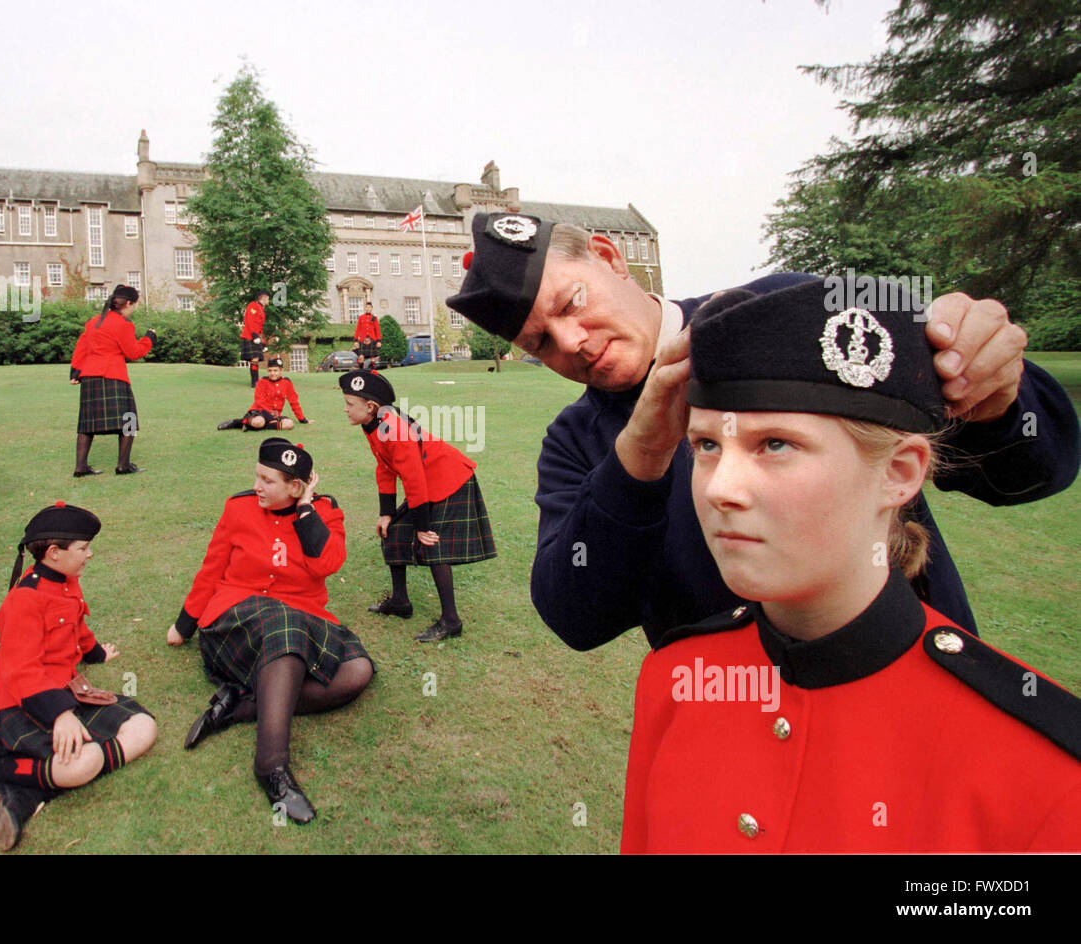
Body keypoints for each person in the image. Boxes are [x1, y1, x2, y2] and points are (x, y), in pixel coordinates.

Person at [446, 212, 1080, 650]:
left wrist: (998, 395)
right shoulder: (577, 441)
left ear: (611, 259)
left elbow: (1030, 473)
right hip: (731, 734)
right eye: (539, 343)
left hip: (909, 681)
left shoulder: (789, 315)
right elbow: (574, 616)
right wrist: (639, 455)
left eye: (569, 303)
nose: (572, 344)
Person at [620, 279, 1081, 853]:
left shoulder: (1040, 766)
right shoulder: (676, 680)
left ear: (900, 472)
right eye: (707, 445)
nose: (721, 488)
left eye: (776, 444)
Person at [0, 502, 157, 850]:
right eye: (84, 548)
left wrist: (97, 653)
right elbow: (20, 671)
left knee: (144, 728)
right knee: (81, 764)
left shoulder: (65, 580)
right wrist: (60, 716)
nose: (90, 555)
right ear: (55, 553)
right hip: (19, 702)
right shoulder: (23, 600)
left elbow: (76, 623)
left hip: (67, 693)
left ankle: (24, 786)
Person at [166, 439, 373, 824]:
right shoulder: (238, 507)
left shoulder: (326, 513)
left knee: (358, 671)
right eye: (257, 476)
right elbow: (211, 569)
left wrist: (306, 510)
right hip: (235, 618)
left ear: (297, 486)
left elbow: (328, 563)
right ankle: (271, 765)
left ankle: (239, 705)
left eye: (268, 480)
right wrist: (184, 624)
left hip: (302, 615)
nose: (257, 486)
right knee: (285, 624)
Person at [339, 370, 496, 642]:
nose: (345, 409)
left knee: (433, 545)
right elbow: (384, 467)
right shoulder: (373, 424)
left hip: (451, 480)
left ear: (370, 407)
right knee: (394, 531)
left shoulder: (395, 429)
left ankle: (451, 621)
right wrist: (386, 513)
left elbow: (414, 480)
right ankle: (400, 602)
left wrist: (423, 527)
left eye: (350, 404)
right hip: (426, 483)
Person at [69, 284, 155, 476]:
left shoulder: (92, 322)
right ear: (129, 303)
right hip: (113, 377)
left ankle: (80, 467)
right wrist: (149, 339)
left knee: (87, 423)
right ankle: (123, 465)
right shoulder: (123, 325)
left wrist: (75, 372)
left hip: (90, 378)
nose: (133, 310)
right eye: (134, 306)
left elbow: (82, 347)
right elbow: (133, 352)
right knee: (129, 419)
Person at [216, 356, 311, 431]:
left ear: (281, 371)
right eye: (270, 371)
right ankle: (238, 422)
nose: (273, 373)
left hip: (275, 416)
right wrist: (269, 416)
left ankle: (250, 426)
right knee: (259, 422)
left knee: (289, 424)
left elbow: (294, 402)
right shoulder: (262, 382)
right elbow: (259, 401)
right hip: (259, 412)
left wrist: (303, 419)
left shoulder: (287, 383)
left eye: (275, 370)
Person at [240, 290, 270, 388]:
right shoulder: (252, 306)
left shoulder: (261, 308)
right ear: (263, 297)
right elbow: (250, 321)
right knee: (254, 359)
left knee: (255, 359)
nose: (269, 301)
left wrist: (263, 342)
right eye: (268, 298)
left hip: (256, 336)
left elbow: (260, 327)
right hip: (250, 336)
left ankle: (255, 382)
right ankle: (255, 382)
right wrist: (254, 336)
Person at [353, 301, 382, 370]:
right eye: (366, 307)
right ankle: (361, 370)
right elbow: (358, 329)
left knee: (373, 360)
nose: (368, 309)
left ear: (371, 308)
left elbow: (377, 330)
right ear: (365, 308)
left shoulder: (374, 318)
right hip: (363, 340)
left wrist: (379, 341)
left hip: (372, 340)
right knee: (361, 358)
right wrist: (356, 340)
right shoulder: (361, 317)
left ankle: (371, 371)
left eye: (369, 307)